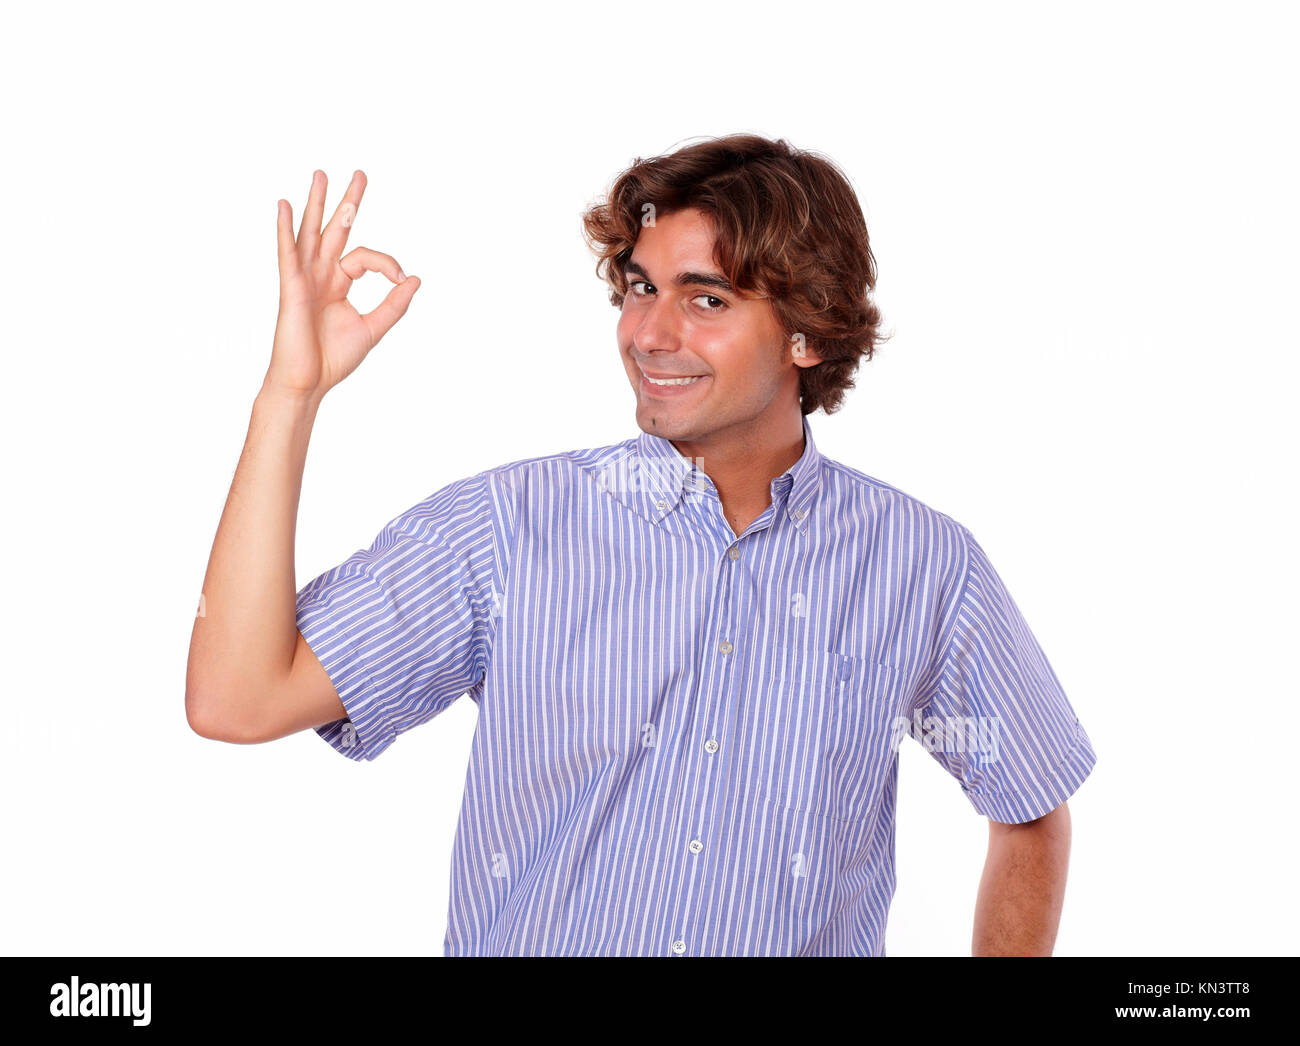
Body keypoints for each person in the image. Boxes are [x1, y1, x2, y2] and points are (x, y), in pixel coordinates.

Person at [186, 134, 1097, 956]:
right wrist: (290, 393)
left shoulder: (922, 565)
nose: (651, 334)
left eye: (707, 299)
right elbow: (237, 698)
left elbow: (1030, 805)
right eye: (640, 289)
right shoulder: (512, 527)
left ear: (810, 332)